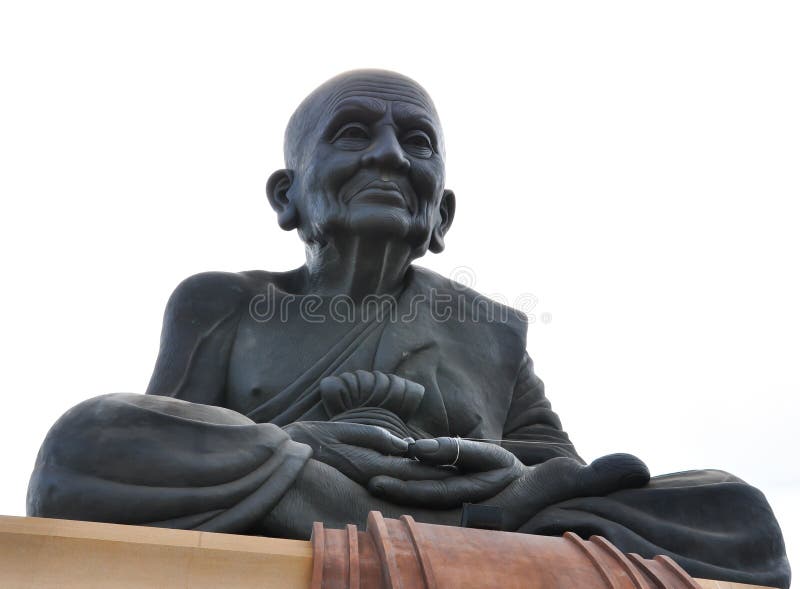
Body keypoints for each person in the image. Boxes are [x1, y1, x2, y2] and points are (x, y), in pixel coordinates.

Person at [27, 70, 790, 588]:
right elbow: (162, 443)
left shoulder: (491, 332)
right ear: (287, 196)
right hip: (328, 499)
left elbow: (561, 474)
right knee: (84, 440)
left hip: (463, 508)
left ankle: (438, 519)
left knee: (736, 511)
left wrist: (504, 474)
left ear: (442, 214)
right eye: (354, 134)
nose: (389, 155)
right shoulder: (222, 302)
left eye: (416, 142)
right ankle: (437, 522)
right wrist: (308, 444)